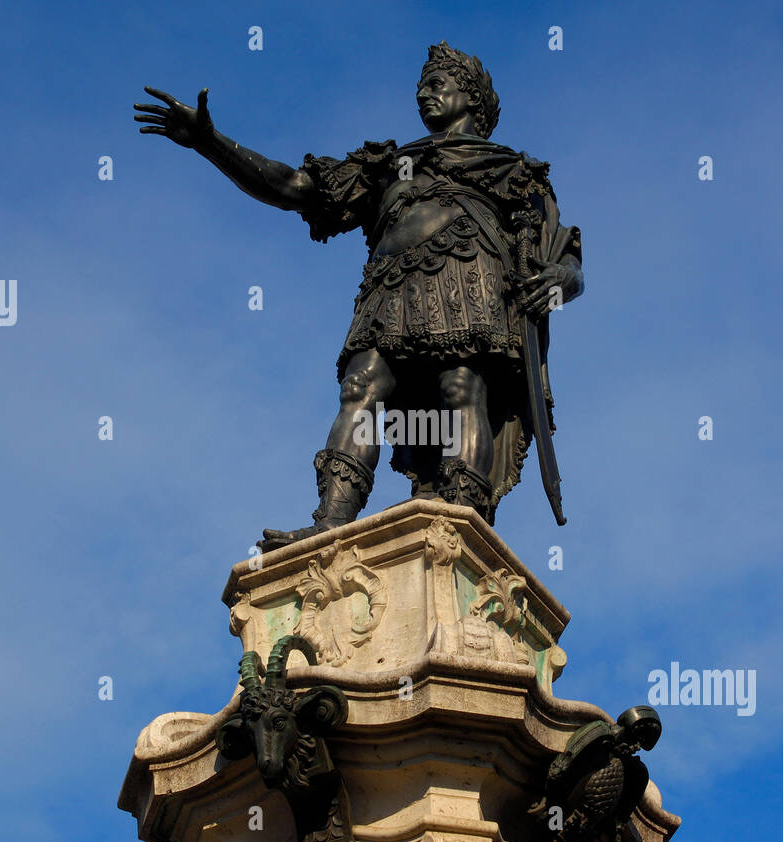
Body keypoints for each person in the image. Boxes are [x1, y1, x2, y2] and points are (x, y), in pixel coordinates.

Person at [135, 42, 583, 548]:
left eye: (437, 82)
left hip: (468, 283)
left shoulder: (512, 170)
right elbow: (297, 188)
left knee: (461, 389)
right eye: (421, 82)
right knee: (360, 387)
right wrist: (211, 142)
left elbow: (564, 257)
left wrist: (562, 281)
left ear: (473, 97)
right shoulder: (389, 165)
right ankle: (329, 524)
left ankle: (460, 521)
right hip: (390, 289)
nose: (424, 91)